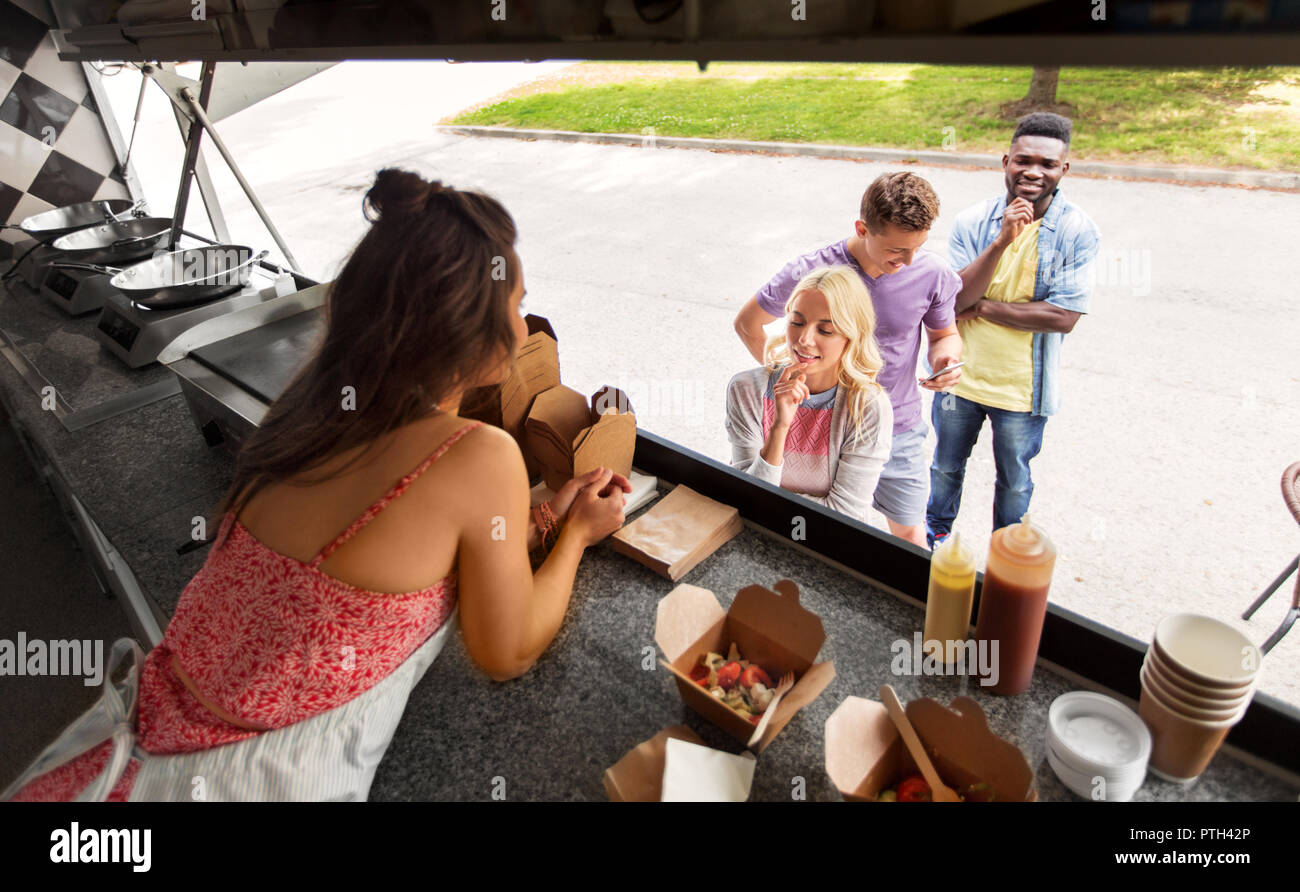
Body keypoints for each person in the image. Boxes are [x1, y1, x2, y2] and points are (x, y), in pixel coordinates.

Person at [5, 169, 630, 802]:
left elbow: (405, 553)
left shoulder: (306, 410)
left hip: (124, 745)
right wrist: (577, 534)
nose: (525, 325)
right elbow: (508, 652)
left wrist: (543, 518)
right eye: (517, 303)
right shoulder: (478, 455)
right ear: (468, 327)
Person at [733, 172, 963, 547]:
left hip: (897, 425)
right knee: (809, 529)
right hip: (817, 426)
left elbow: (944, 335)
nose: (908, 260)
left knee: (908, 534)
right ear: (863, 228)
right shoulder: (812, 272)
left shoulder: (931, 273)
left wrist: (945, 359)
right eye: (896, 251)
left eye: (917, 248)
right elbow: (748, 323)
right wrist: (788, 379)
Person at [926, 113, 1101, 548]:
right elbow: (953, 301)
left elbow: (1063, 317)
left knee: (1014, 483)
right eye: (1023, 160)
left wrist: (982, 306)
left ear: (1064, 170)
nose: (1033, 172)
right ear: (1006, 161)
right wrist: (1001, 241)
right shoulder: (974, 221)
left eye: (1047, 164)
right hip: (960, 380)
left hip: (1023, 391)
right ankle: (934, 544)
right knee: (944, 470)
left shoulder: (1077, 232)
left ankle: (1005, 558)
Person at [726, 266, 893, 523]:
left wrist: (768, 503)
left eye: (825, 330)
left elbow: (845, 515)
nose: (804, 339)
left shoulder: (867, 407)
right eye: (797, 322)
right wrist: (780, 426)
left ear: (852, 336)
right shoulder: (746, 389)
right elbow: (748, 496)